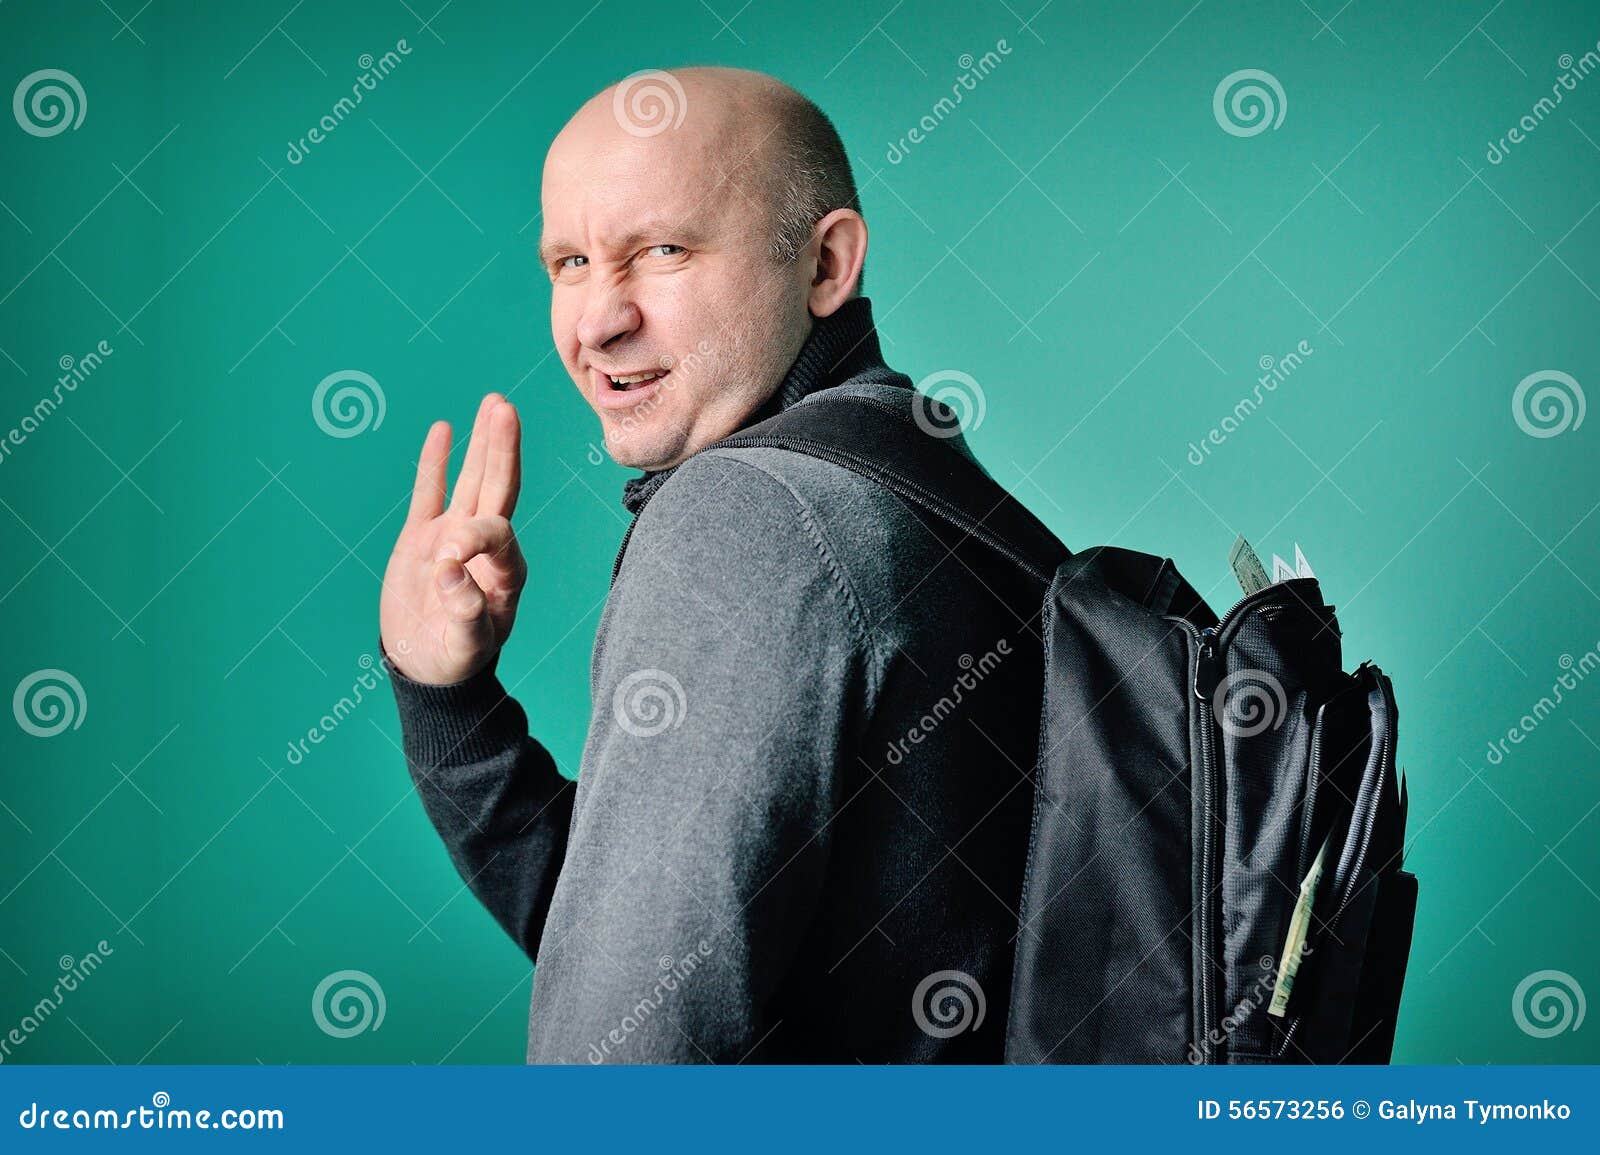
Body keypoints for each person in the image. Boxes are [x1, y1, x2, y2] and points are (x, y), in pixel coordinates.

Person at [379, 66, 1052, 1062]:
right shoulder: (916, 470)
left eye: (661, 250)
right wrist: (451, 704)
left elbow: (625, 1048)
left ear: (825, 264)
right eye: (567, 263)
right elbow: (652, 957)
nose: (596, 322)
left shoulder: (752, 514)